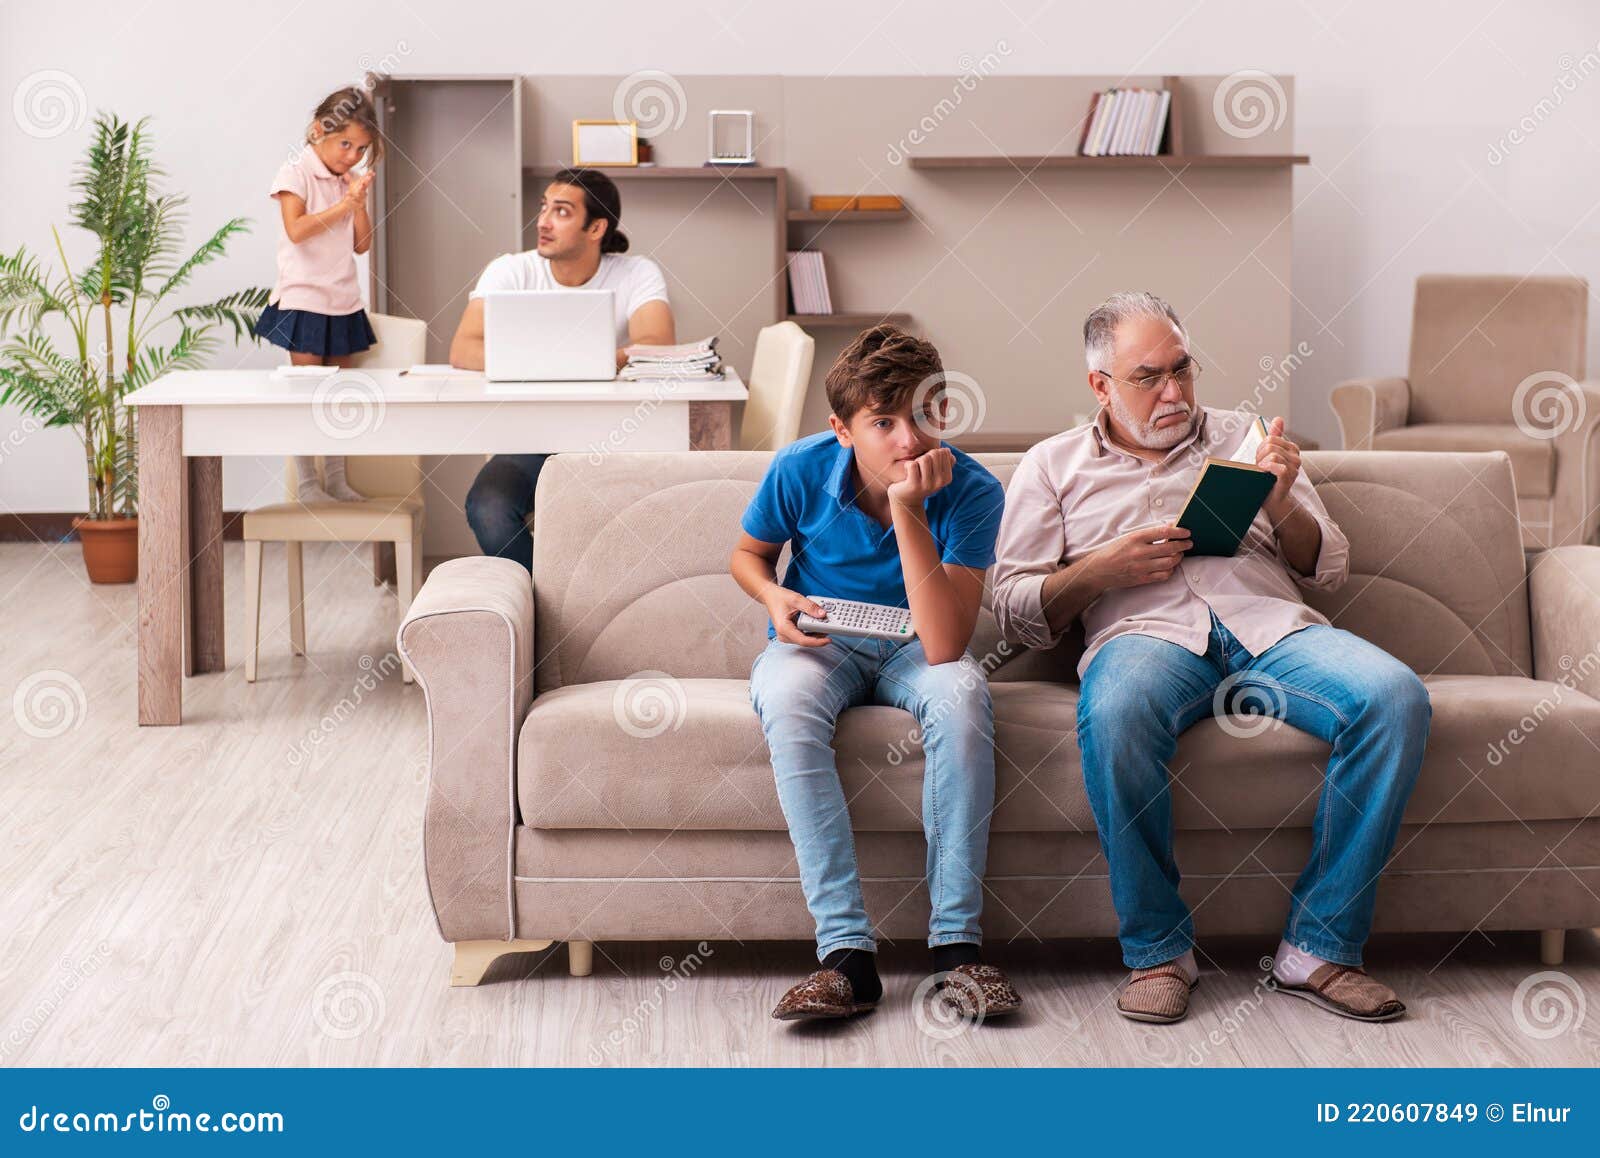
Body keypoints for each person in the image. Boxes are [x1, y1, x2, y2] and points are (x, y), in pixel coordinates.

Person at [990, 291, 1430, 1025]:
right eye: (1148, 377)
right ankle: (1160, 952)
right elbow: (1012, 606)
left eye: (1182, 370)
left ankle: (1317, 947)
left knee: (1395, 697)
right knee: (1116, 712)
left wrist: (1281, 499)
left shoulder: (1245, 437)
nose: (1173, 393)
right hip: (1145, 639)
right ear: (1101, 385)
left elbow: (1327, 567)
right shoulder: (1051, 465)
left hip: (1269, 628)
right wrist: (1099, 571)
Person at [731, 324, 1020, 1024]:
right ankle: (846, 958)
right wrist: (774, 596)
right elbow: (748, 555)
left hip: (917, 647)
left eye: (923, 414)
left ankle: (956, 949)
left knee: (963, 697)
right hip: (822, 639)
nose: (909, 439)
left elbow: (945, 644)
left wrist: (907, 506)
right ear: (842, 430)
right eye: (883, 422)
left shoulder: (973, 489)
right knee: (787, 702)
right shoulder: (799, 469)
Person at [450, 167, 676, 571]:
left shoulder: (636, 272)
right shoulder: (510, 270)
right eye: (544, 208)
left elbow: (657, 343)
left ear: (596, 228)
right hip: (530, 441)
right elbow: (464, 348)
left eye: (562, 211)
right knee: (488, 508)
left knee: (650, 513)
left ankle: (602, 596)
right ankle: (548, 600)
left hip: (616, 440)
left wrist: (572, 359)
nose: (543, 221)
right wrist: (574, 360)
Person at [256, 83, 383, 504]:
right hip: (304, 300)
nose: (352, 156)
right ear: (318, 131)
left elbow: (362, 245)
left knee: (337, 399)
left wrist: (358, 205)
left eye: (361, 149)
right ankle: (308, 484)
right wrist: (345, 205)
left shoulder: (349, 182)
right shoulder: (295, 172)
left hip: (342, 300)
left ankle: (336, 478)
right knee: (306, 396)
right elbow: (297, 229)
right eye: (345, 144)